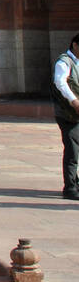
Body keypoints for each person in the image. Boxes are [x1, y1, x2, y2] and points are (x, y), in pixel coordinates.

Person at [52, 32, 79, 201]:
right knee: (72, 149)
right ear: (75, 45)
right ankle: (70, 188)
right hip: (67, 114)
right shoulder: (64, 62)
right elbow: (60, 82)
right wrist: (74, 101)